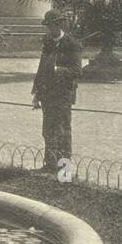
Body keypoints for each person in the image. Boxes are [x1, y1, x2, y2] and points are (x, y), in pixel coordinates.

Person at [31, 10, 82, 173]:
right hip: (47, 94)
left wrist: (57, 70)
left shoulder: (72, 44)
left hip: (63, 95)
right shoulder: (48, 43)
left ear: (59, 25)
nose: (49, 29)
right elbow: (41, 67)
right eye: (48, 26)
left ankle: (64, 171)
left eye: (52, 26)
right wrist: (37, 91)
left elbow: (77, 70)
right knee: (48, 130)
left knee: (63, 132)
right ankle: (50, 165)